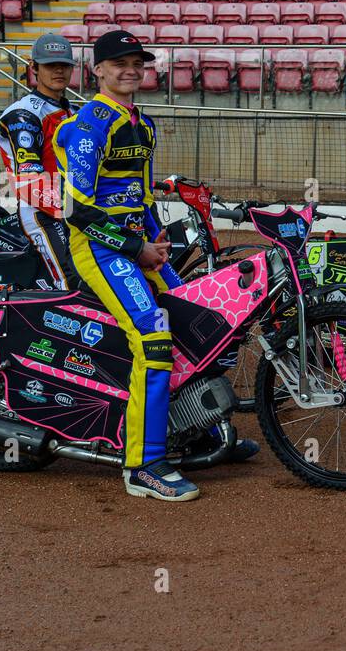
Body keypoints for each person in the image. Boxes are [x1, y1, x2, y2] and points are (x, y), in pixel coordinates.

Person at [54, 30, 256, 502]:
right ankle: (143, 464)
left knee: (195, 319)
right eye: (119, 62)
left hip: (138, 244)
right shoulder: (91, 122)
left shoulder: (141, 125)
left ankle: (198, 430)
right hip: (99, 250)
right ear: (98, 70)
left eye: (136, 63)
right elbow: (76, 211)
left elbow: (140, 197)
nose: (130, 70)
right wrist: (134, 248)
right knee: (154, 339)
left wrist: (154, 239)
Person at [0, 32, 77, 288]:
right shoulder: (23, 113)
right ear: (34, 67)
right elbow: (31, 183)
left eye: (64, 64)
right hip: (43, 214)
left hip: (73, 210)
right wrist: (74, 213)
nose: (59, 70)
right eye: (51, 65)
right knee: (72, 283)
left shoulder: (73, 111)